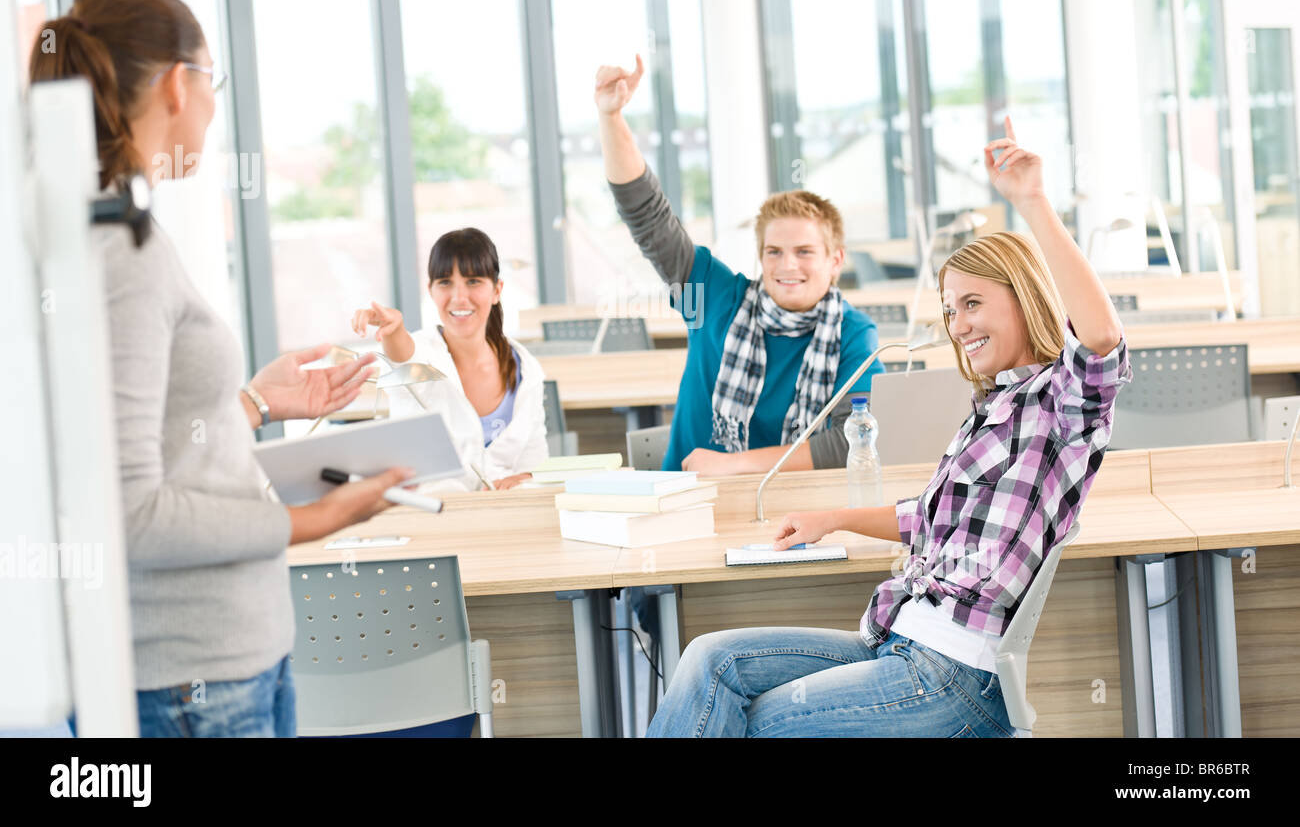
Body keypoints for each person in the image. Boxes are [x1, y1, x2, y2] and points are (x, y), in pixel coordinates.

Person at [645, 117, 1132, 737]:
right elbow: (928, 515)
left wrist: (1032, 202)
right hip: (900, 639)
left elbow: (1103, 339)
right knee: (710, 661)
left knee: (759, 725)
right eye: (951, 309)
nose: (958, 325)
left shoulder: (1061, 404)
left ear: (1024, 295)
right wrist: (834, 518)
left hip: (954, 674)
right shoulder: (992, 406)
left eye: (973, 304)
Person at [30, 0, 413, 737]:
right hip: (187, 678)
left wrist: (253, 403)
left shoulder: (114, 230)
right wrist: (315, 520)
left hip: (224, 663)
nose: (214, 103)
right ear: (180, 83)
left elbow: (138, 443)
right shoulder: (119, 249)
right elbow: (129, 514)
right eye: (213, 79)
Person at [595, 55, 884, 476]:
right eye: (774, 252)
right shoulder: (712, 298)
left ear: (835, 260)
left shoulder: (854, 334)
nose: (787, 265)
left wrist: (734, 465)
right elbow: (647, 216)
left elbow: (851, 441)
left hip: (798, 511)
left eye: (804, 252)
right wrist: (611, 116)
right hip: (691, 504)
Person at [352, 228, 548, 491]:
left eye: (473, 281)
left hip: (505, 518)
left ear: (497, 290)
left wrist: (526, 479)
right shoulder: (423, 353)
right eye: (445, 282)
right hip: (436, 514)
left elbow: (536, 466)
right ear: (430, 291)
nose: (459, 297)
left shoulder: (526, 369)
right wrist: (394, 330)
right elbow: (404, 360)